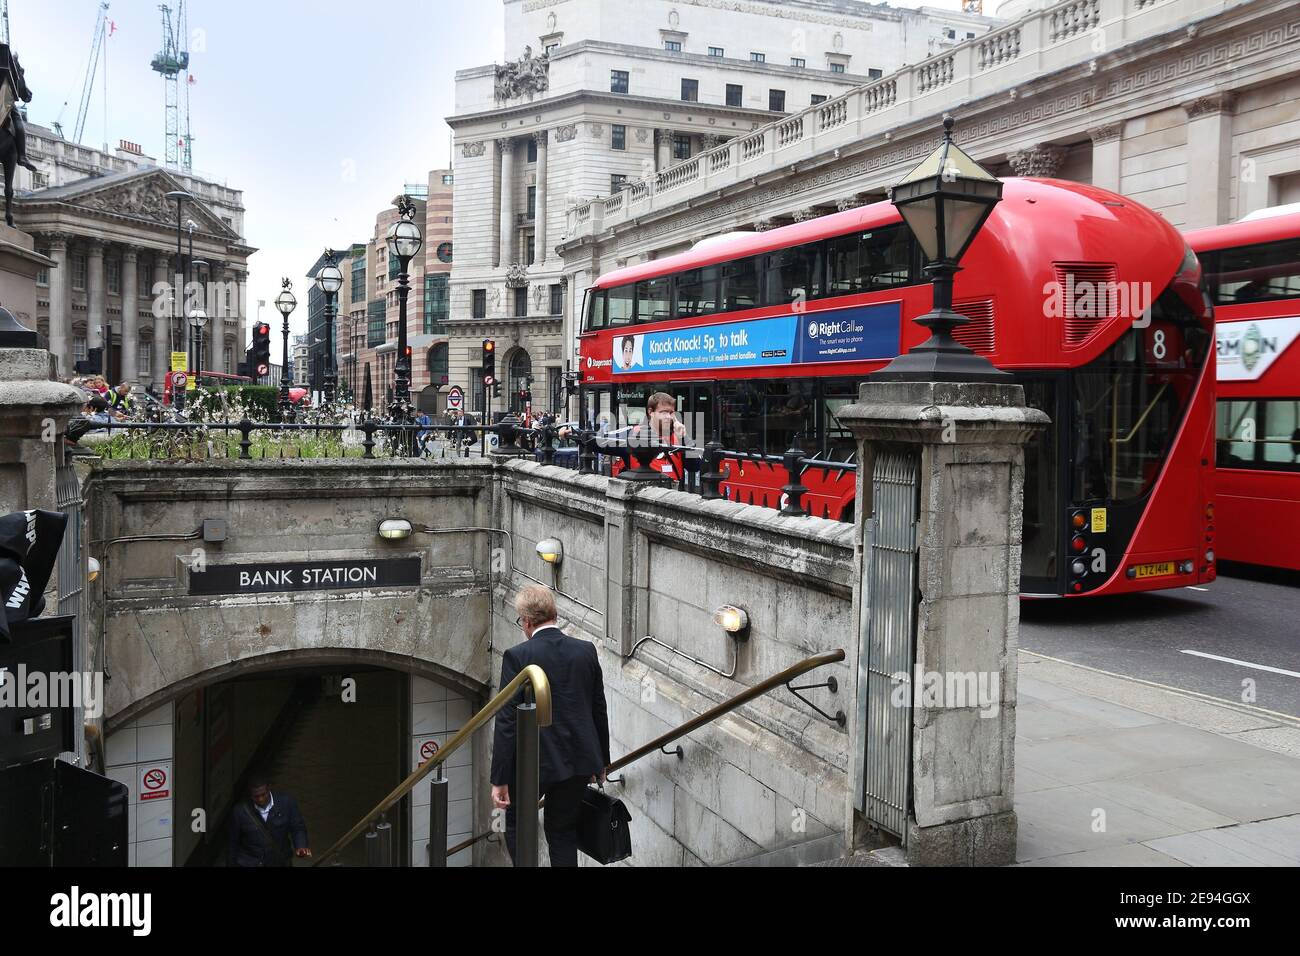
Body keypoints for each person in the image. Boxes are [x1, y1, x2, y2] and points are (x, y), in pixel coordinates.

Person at [491, 585, 609, 867]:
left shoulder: (518, 656)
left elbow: (507, 720)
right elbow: (598, 708)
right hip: (578, 759)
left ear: (527, 622)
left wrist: (500, 778)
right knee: (563, 830)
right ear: (555, 614)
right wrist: (602, 761)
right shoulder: (585, 650)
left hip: (534, 762)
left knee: (516, 821)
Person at [227, 771, 311, 867]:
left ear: (269, 788)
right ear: (250, 795)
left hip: (278, 862)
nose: (261, 799)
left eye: (263, 794)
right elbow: (232, 844)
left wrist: (301, 846)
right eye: (256, 796)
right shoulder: (239, 812)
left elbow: (297, 827)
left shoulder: (286, 803)